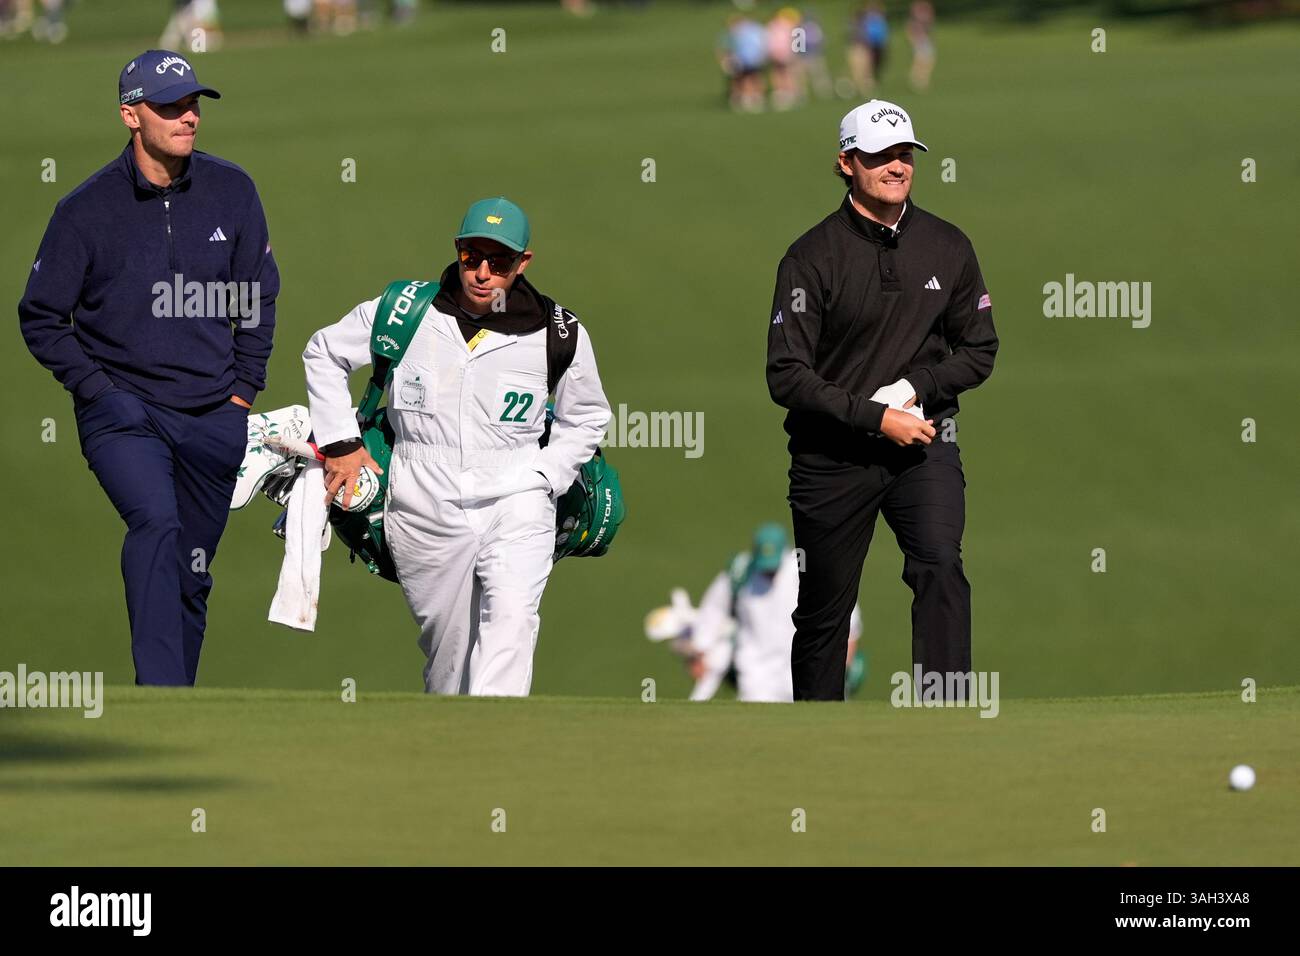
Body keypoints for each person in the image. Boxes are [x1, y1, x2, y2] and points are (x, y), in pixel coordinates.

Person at [18, 50, 279, 686]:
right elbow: (41, 316)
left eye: (193, 104)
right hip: (125, 416)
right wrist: (100, 393)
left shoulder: (233, 190)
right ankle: (159, 691)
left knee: (191, 572)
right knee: (156, 522)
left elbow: (257, 296)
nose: (189, 117)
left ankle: (174, 711)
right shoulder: (84, 211)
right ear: (131, 115)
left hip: (215, 416)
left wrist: (242, 395)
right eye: (170, 106)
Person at [303, 198, 611, 696]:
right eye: (473, 257)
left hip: (518, 495)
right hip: (421, 498)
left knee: (512, 617)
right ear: (457, 250)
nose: (483, 273)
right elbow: (324, 352)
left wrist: (545, 478)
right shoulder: (405, 310)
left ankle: (496, 736)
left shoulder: (559, 332)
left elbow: (588, 416)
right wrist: (341, 443)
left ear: (523, 263)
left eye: (500, 261)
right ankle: (452, 735)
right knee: (450, 661)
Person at [765, 100, 998, 700]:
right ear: (847, 163)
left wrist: (915, 390)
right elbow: (786, 375)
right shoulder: (810, 258)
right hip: (831, 457)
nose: (896, 166)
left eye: (904, 154)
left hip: (922, 445)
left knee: (940, 564)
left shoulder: (948, 246)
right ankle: (818, 738)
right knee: (825, 612)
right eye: (878, 156)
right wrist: (874, 416)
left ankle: (945, 715)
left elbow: (979, 349)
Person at [645, 524, 864, 702]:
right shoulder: (741, 571)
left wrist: (842, 662)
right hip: (756, 676)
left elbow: (844, 615)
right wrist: (700, 650)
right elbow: (713, 610)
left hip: (806, 670)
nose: (768, 571)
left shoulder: (805, 570)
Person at [907, 1, 936, 92]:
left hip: (925, 41)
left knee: (928, 61)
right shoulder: (915, 20)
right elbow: (910, 31)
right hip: (920, 41)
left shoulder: (924, 19)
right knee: (921, 61)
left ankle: (921, 80)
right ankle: (917, 79)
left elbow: (930, 26)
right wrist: (913, 40)